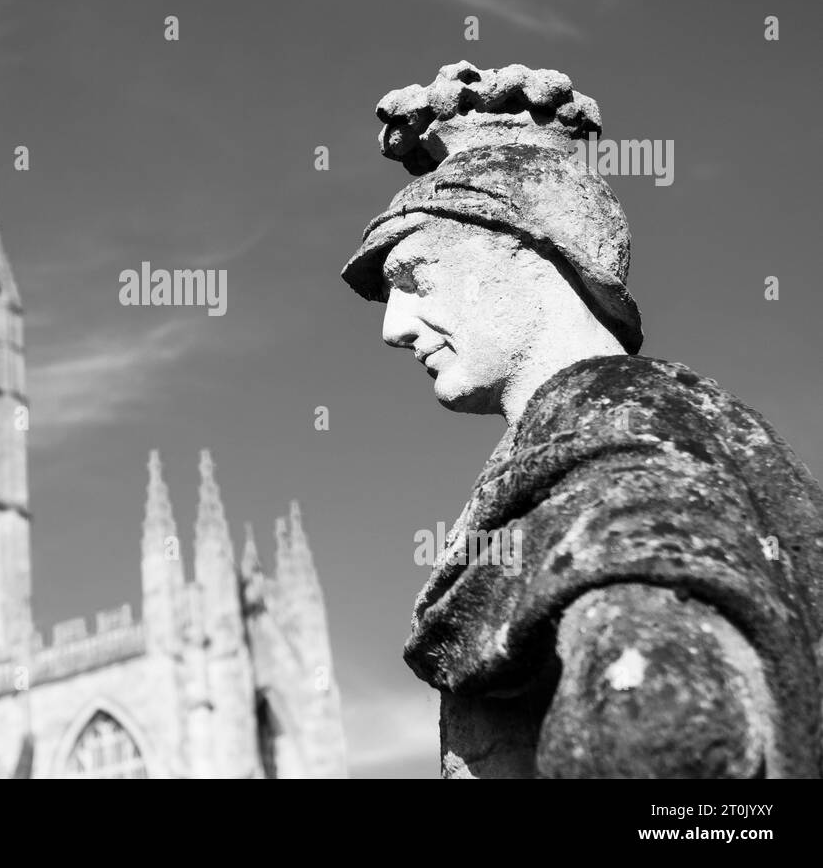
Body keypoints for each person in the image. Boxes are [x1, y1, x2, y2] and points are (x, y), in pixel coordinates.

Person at [341, 61, 823, 778]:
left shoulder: (617, 423)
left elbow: (671, 735)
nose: (394, 327)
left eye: (414, 277)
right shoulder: (590, 433)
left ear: (535, 254)